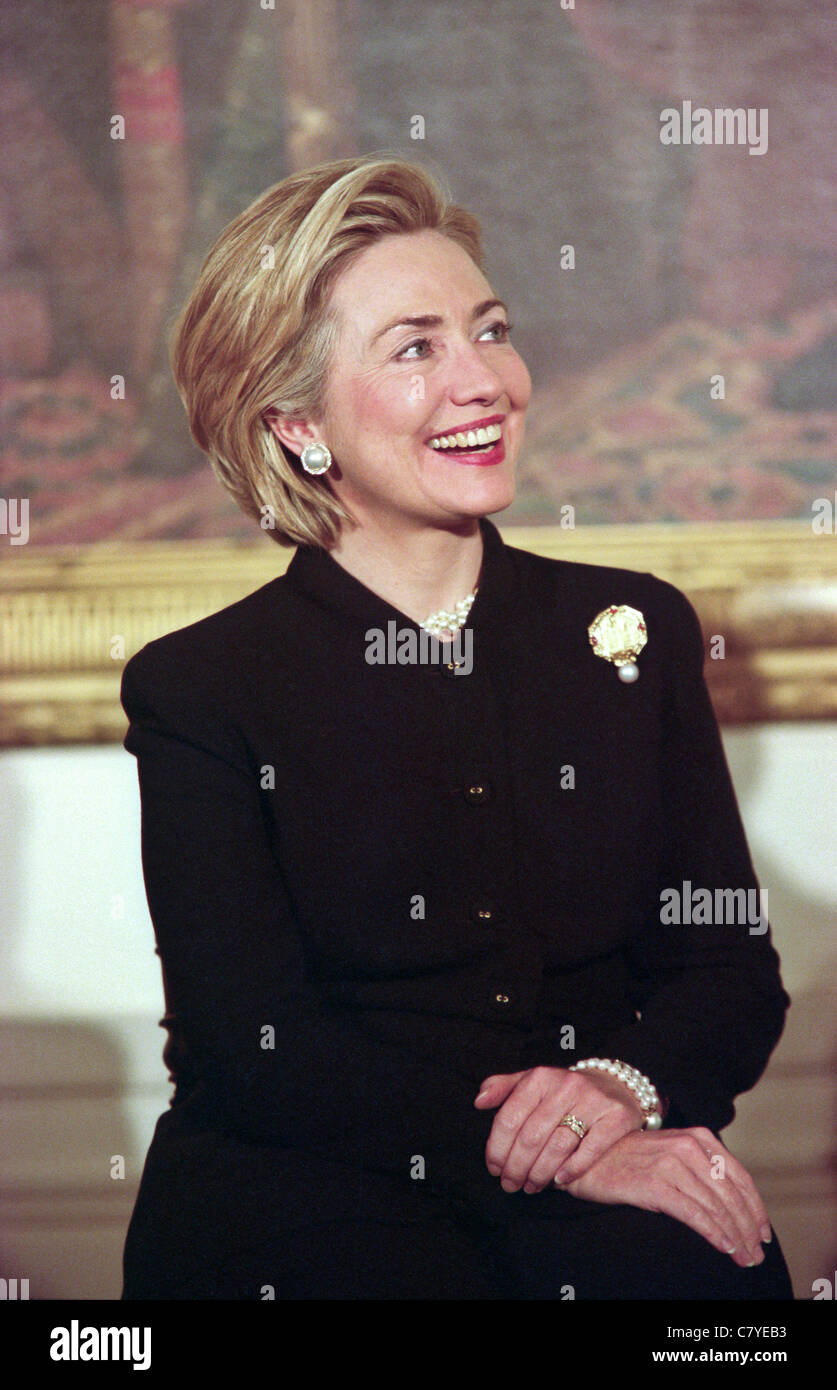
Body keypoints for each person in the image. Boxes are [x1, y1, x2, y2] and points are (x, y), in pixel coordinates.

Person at [120, 153, 793, 1300]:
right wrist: (569, 1151)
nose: (484, 381)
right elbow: (248, 1044)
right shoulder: (201, 687)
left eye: (491, 330)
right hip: (312, 1196)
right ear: (296, 425)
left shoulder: (634, 628)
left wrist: (619, 1089)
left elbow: (726, 969)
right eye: (417, 347)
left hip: (617, 1187)